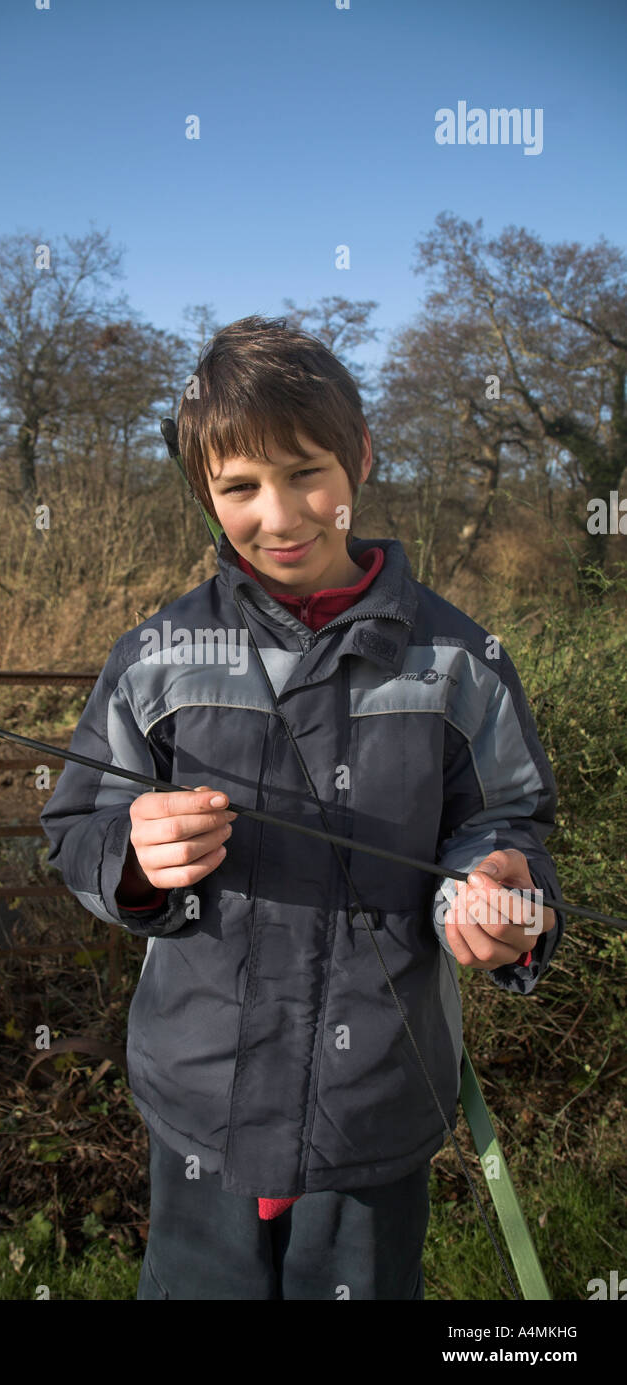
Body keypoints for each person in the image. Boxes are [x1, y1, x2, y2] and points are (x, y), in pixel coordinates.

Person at [39, 314, 565, 1300]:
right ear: (204, 493)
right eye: (239, 487)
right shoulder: (153, 657)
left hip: (376, 1096)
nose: (279, 517)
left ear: (359, 457)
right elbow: (78, 829)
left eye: (305, 472)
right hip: (199, 1092)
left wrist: (500, 891)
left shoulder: (460, 661)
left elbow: (508, 824)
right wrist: (133, 859)